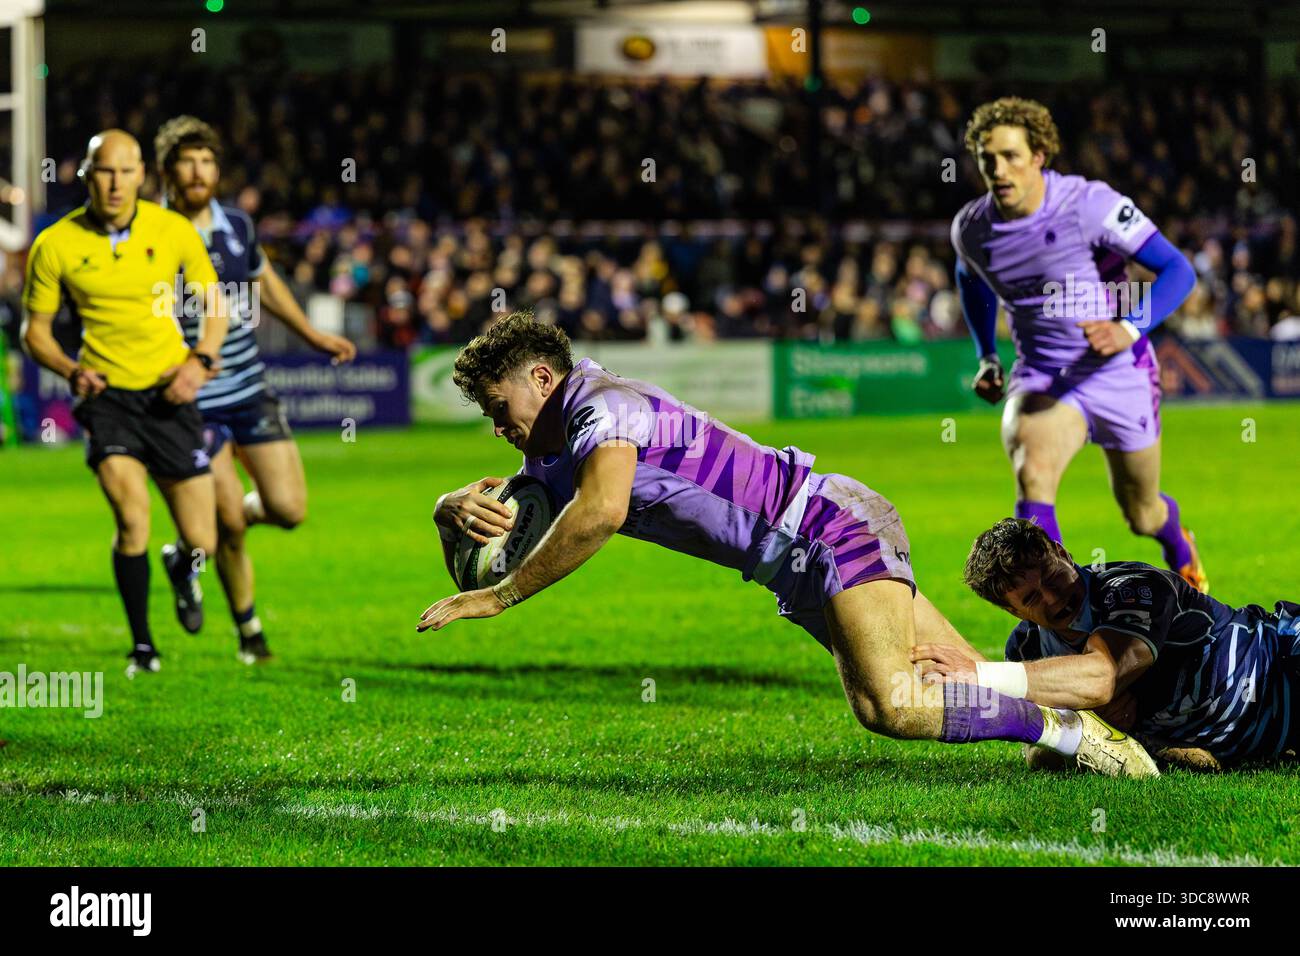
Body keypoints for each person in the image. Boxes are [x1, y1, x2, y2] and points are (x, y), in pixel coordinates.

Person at [417, 313, 1160, 778]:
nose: (496, 426)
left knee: (890, 705)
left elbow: (600, 513)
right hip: (800, 552)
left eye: (498, 408)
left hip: (825, 528)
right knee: (955, 671)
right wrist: (446, 506)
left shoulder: (605, 414)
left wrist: (499, 596)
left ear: (542, 379)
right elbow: (519, 509)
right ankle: (1110, 724)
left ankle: (1062, 730)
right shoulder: (558, 439)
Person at [951, 97, 1206, 591]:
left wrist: (1128, 327)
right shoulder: (972, 228)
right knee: (1033, 472)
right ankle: (1066, 615)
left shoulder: (1090, 205)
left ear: (1040, 155)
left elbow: (1179, 270)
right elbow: (970, 279)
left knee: (1141, 512)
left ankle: (1179, 544)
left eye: (1011, 157)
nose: (998, 170)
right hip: (1043, 375)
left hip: (1117, 372)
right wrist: (986, 354)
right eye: (988, 160)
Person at [21, 130, 226, 674]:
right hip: (106, 397)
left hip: (169, 393)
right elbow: (33, 333)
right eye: (103, 171)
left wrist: (199, 362)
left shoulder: (173, 229)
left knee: (202, 537)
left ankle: (182, 566)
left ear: (143, 175)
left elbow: (216, 306)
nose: (115, 183)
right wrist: (71, 370)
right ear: (86, 175)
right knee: (132, 518)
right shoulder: (56, 243)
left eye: (126, 171)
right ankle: (143, 646)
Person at [153, 116, 356, 663]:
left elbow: (265, 282)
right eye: (186, 162)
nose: (198, 172)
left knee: (288, 509)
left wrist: (311, 334)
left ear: (216, 169)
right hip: (191, 400)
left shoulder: (236, 226)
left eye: (206, 161)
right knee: (227, 526)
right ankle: (250, 632)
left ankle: (185, 555)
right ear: (167, 172)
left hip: (248, 389)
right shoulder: (152, 231)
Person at [915, 517, 1300, 770]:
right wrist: (1089, 720)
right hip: (1247, 740)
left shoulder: (1134, 589)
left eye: (1053, 576)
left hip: (1280, 666)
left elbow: (1101, 676)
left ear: (1063, 554)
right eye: (1031, 599)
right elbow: (1041, 753)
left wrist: (979, 675)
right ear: (1012, 611)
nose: (1052, 598)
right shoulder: (1027, 650)